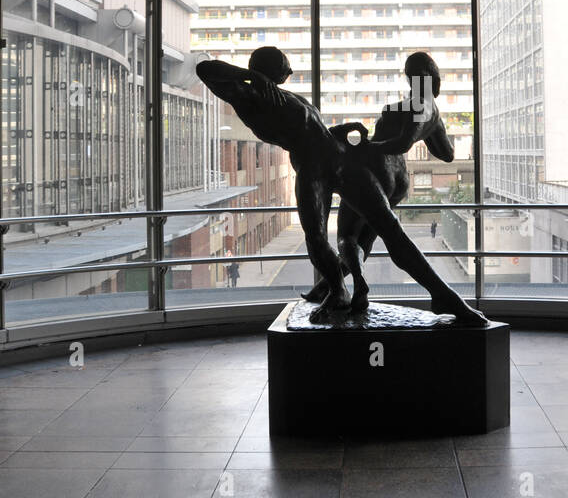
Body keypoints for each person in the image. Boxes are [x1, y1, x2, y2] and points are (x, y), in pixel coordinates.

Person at [196, 47, 486, 326]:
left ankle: (442, 295)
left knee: (387, 229)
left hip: (341, 160)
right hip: (314, 170)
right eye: (286, 65)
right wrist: (254, 78)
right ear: (270, 69)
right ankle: (338, 290)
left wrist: (342, 130)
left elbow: (318, 132)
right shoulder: (251, 94)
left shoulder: (284, 96)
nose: (292, 70)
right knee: (318, 239)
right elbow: (205, 69)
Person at [302, 52, 454, 313]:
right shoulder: (431, 111)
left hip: (376, 171)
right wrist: (424, 133)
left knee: (347, 235)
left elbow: (403, 142)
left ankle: (357, 286)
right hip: (399, 179)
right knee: (366, 238)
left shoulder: (417, 103)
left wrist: (369, 148)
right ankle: (328, 287)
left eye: (411, 75)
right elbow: (448, 154)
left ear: (423, 76)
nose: (409, 80)